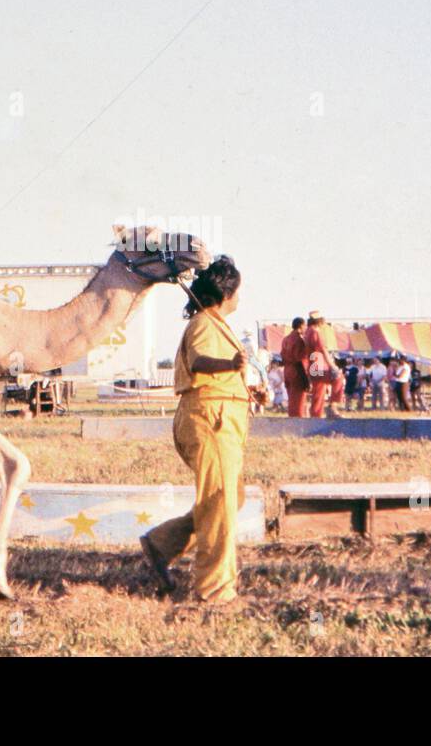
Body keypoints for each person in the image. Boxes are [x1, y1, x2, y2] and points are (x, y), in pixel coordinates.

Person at [141, 256, 249, 605]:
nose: (239, 298)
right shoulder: (204, 323)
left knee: (231, 498)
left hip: (221, 418)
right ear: (226, 293)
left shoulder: (217, 323)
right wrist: (229, 364)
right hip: (210, 419)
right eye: (238, 291)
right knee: (219, 501)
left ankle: (163, 543)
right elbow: (201, 360)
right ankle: (216, 590)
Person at [305, 311, 341, 419]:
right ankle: (332, 406)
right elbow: (323, 349)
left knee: (318, 391)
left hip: (312, 363)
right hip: (319, 362)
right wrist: (332, 365)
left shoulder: (308, 331)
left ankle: (315, 416)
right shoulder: (316, 332)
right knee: (338, 378)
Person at [281, 317, 310, 418]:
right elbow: (301, 358)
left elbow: (282, 355)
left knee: (291, 398)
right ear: (301, 325)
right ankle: (297, 424)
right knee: (299, 400)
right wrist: (306, 378)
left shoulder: (285, 339)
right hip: (297, 370)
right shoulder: (298, 339)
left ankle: (291, 420)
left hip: (287, 370)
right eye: (305, 325)